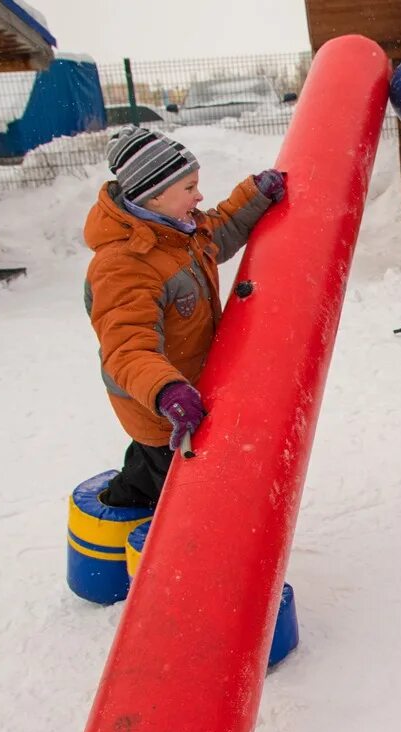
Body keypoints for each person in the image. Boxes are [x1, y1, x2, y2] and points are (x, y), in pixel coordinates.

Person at [85, 126, 285, 507]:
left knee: (148, 466)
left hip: (182, 389)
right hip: (161, 406)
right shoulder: (124, 265)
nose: (200, 195)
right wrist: (166, 391)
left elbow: (220, 231)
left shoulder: (176, 232)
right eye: (190, 188)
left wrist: (254, 196)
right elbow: (127, 348)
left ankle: (126, 495)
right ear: (155, 195)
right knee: (187, 494)